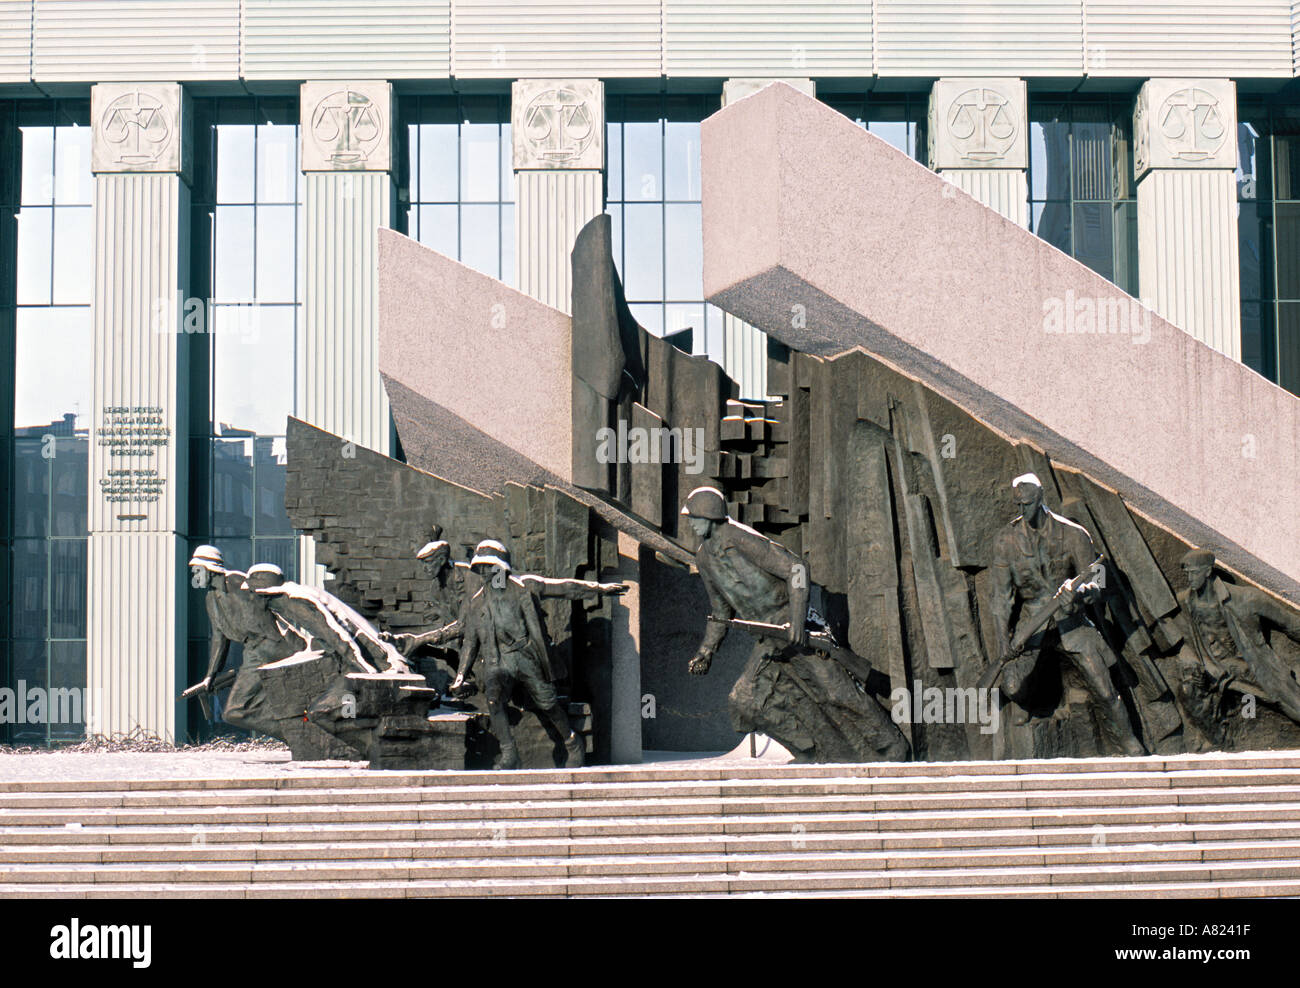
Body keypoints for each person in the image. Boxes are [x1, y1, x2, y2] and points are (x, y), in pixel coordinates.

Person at [681, 486, 910, 763]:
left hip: (791, 620)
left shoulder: (739, 538)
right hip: (766, 637)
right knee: (745, 701)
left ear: (710, 515)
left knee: (836, 690)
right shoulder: (704, 558)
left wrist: (798, 621)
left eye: (693, 516)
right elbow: (720, 610)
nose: (690, 523)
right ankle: (815, 752)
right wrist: (705, 653)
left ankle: (891, 745)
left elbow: (797, 569)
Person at [989, 473, 1145, 755]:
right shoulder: (1005, 541)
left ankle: (1129, 742)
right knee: (1012, 688)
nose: (1022, 510)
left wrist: (1081, 592)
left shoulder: (1074, 534)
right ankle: (1029, 701)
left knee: (1105, 688)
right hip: (1033, 624)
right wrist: (1004, 647)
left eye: (1027, 504)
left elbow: (1098, 583)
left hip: (1071, 622)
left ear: (1041, 498)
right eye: (1018, 505)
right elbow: (1001, 601)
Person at [452, 545, 584, 769]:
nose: (484, 573)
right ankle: (509, 754)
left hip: (524, 657)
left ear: (500, 568)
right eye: (480, 568)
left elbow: (545, 616)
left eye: (488, 567)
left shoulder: (520, 591)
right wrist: (461, 675)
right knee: (494, 700)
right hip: (497, 662)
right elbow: (470, 642)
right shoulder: (476, 603)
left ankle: (572, 742)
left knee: (548, 703)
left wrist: (546, 664)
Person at [1177, 548, 1300, 736]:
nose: (1189, 579)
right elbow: (1185, 641)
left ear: (1208, 571)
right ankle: (1217, 741)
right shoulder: (1186, 602)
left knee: (1296, 709)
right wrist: (1192, 665)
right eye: (1187, 574)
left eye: (1193, 573)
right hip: (1216, 671)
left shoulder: (1247, 598)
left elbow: (1291, 624)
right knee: (1187, 690)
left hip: (1255, 668)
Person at [188, 549, 304, 737]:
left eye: (197, 570)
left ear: (209, 568)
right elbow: (219, 638)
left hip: (275, 645)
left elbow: (278, 609)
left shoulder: (238, 582)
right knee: (235, 712)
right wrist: (210, 675)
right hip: (253, 651)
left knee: (244, 708)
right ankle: (296, 733)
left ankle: (299, 732)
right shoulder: (211, 598)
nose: (194, 575)